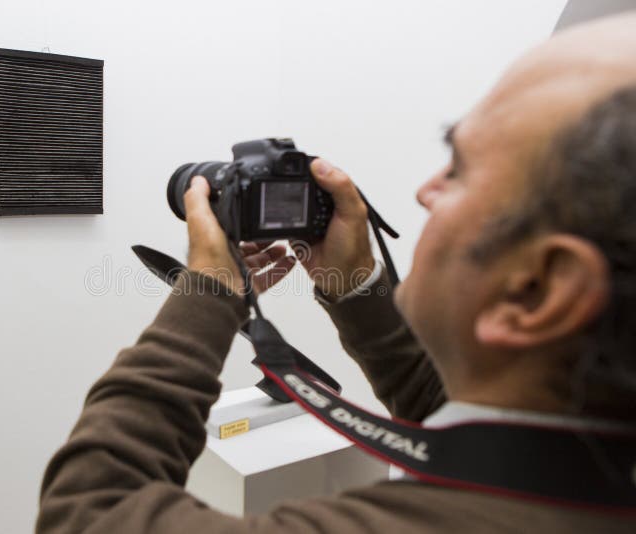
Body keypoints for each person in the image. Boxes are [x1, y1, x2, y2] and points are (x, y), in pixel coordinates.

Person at [36, 13, 636, 533]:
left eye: (458, 169)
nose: (425, 192)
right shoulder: (584, 461)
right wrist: (352, 282)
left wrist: (210, 292)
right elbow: (435, 406)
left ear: (539, 290)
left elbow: (90, 512)